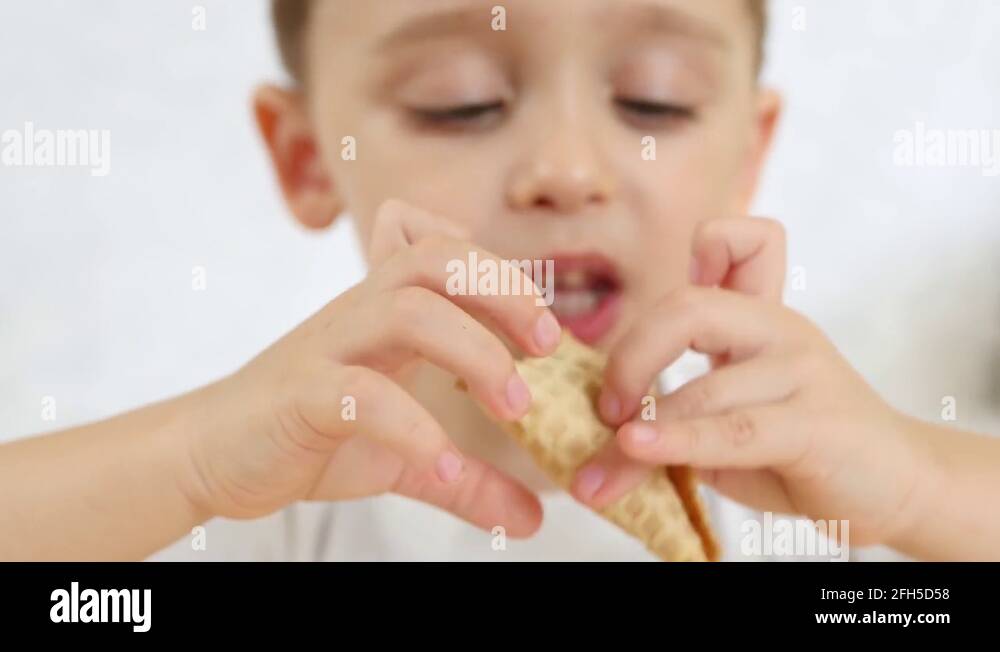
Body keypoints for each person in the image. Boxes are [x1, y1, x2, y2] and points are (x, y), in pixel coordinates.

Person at [2, 0, 997, 562]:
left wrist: (918, 487)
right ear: (310, 158)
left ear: (748, 149)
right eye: (460, 105)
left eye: (654, 98)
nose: (565, 169)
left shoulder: (809, 509)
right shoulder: (279, 503)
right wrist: (186, 460)